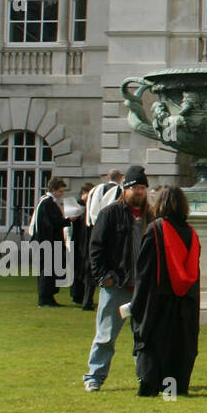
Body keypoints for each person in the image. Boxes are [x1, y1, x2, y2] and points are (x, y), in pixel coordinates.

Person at [84, 165, 150, 392]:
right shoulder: (110, 214)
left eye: (142, 187)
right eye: (135, 188)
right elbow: (96, 249)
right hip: (118, 286)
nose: (139, 192)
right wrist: (104, 277)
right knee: (105, 336)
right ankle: (94, 376)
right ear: (126, 189)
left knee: (143, 338)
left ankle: (145, 377)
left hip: (142, 288)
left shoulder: (152, 216)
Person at [131, 185, 200, 397]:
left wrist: (137, 303)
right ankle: (173, 388)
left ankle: (150, 387)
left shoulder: (156, 229)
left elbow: (145, 270)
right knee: (178, 345)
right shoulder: (191, 233)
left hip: (158, 297)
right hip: (184, 300)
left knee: (153, 341)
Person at [30, 176, 68, 308]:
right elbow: (52, 223)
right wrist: (68, 220)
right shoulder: (47, 203)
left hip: (47, 242)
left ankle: (49, 298)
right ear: (53, 189)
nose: (61, 194)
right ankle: (44, 299)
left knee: (50, 271)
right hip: (46, 242)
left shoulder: (47, 202)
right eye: (60, 191)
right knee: (46, 271)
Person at [70, 183, 95, 308]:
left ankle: (80, 296)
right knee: (77, 269)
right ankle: (76, 295)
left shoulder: (86, 205)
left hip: (83, 241)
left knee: (82, 269)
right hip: (76, 241)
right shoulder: (78, 205)